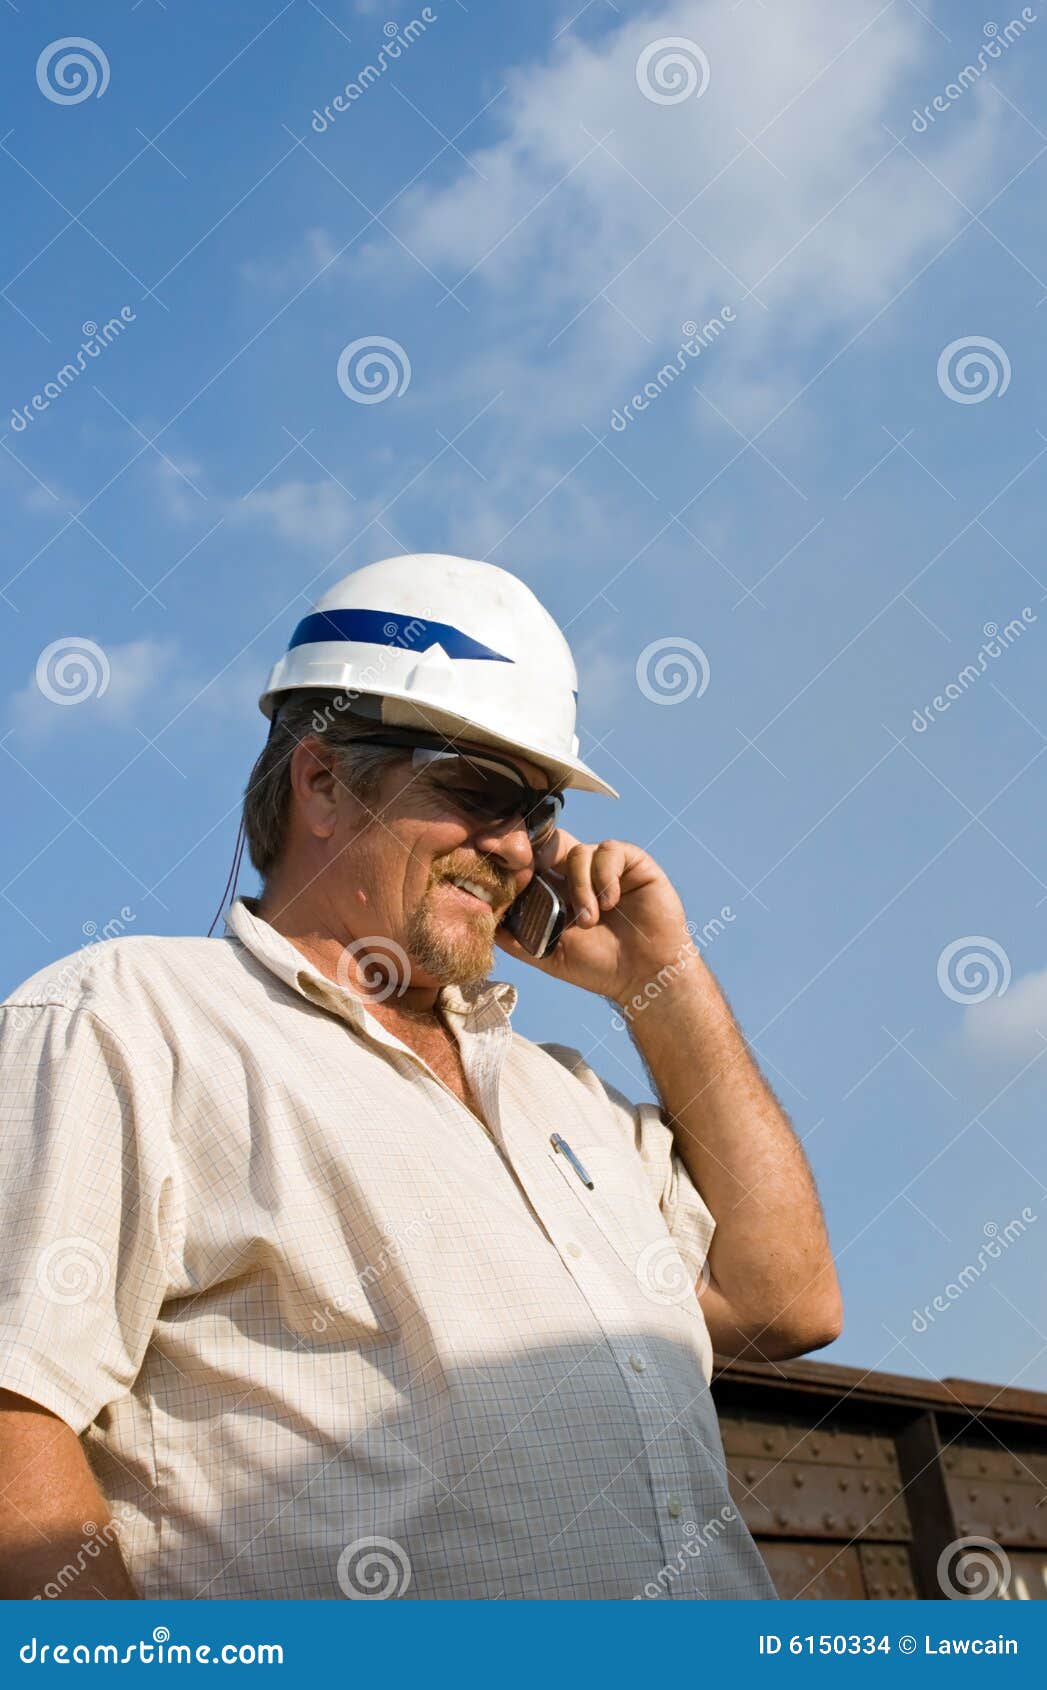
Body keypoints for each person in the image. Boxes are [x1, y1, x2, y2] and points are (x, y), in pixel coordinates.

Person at [0, 553, 841, 1601]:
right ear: (322, 781)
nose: (519, 853)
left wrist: (661, 984)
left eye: (536, 814)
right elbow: (13, 1428)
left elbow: (787, 1299)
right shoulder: (127, 1020)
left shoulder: (566, 1096)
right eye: (480, 791)